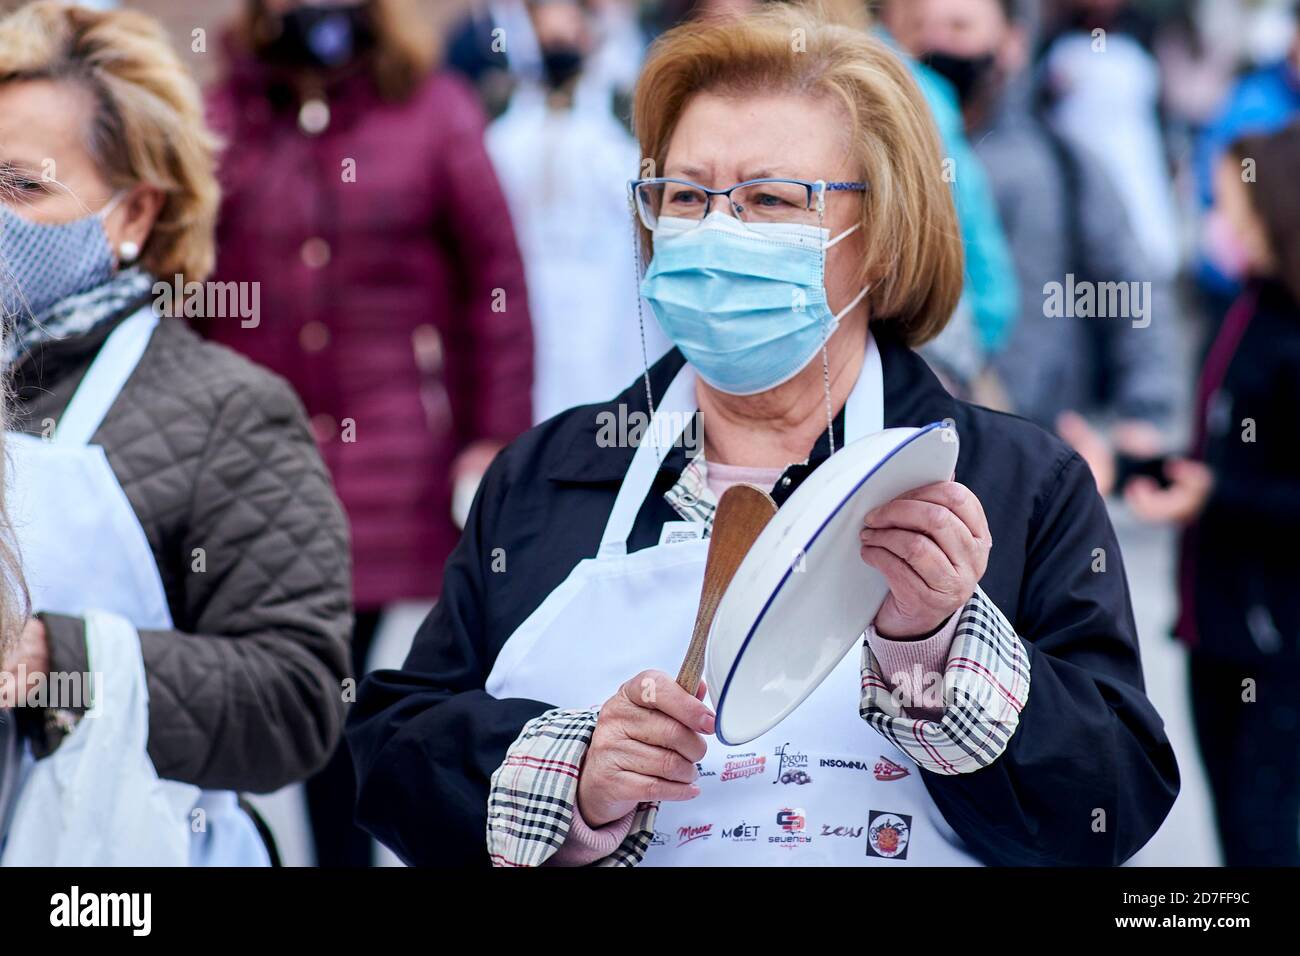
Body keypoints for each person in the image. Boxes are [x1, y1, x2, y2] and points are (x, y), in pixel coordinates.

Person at [347, 5, 1178, 868]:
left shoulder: (1014, 485)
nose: (715, 231)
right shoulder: (546, 478)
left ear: (882, 237)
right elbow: (394, 752)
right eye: (686, 195)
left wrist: (936, 651)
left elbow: (1108, 809)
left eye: (771, 200)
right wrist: (570, 778)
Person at [0, 1, 352, 863]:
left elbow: (300, 701)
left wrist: (60, 660)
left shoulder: (228, 413)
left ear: (133, 213)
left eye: (23, 184)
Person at [205, 0, 534, 866]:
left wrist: (493, 436)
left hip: (394, 456)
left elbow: (494, 283)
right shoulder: (222, 115)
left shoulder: (432, 110)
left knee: (354, 684)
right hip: (256, 462)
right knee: (308, 686)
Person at [1126, 124, 1300, 867]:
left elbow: (1263, 487)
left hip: (1275, 644)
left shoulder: (1288, 336)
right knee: (1235, 835)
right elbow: (1226, 459)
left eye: (1233, 208)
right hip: (1211, 631)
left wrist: (1216, 498)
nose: (1218, 225)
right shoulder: (1242, 312)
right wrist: (1147, 466)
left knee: (1264, 839)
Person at [911, 0, 1179, 480]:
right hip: (932, 447)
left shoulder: (1064, 162)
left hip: (1047, 440)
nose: (940, 46)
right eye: (925, 30)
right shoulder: (899, 158)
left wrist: (1145, 410)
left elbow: (1125, 282)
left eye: (960, 26)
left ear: (1011, 42)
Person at [486, 0, 669, 422]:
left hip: (612, 328)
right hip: (529, 323)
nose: (559, 34)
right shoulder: (502, 115)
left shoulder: (629, 114)